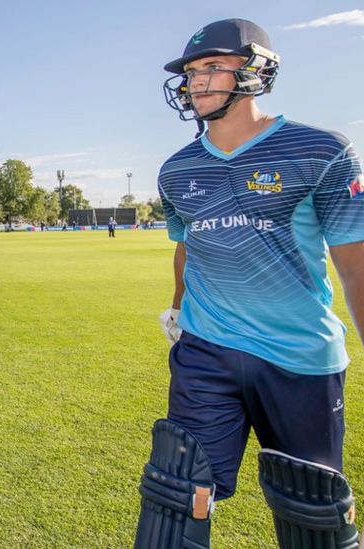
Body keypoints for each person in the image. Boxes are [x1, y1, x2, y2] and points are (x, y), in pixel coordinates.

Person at [135, 19, 364, 549]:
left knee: (312, 510)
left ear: (257, 71)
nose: (197, 82)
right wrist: (177, 308)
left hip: (299, 356)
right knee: (175, 493)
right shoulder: (176, 170)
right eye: (192, 72)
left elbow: (355, 265)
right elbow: (187, 244)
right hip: (205, 350)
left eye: (213, 67)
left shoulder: (321, 150)